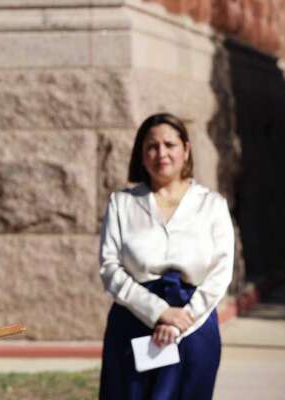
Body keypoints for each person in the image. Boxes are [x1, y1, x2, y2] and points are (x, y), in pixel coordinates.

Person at [98, 113, 235, 399]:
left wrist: (181, 319)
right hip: (133, 321)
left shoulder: (212, 205)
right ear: (141, 154)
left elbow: (221, 270)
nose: (161, 153)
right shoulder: (122, 203)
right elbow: (110, 268)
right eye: (152, 146)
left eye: (169, 145)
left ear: (185, 149)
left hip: (193, 324)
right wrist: (158, 312)